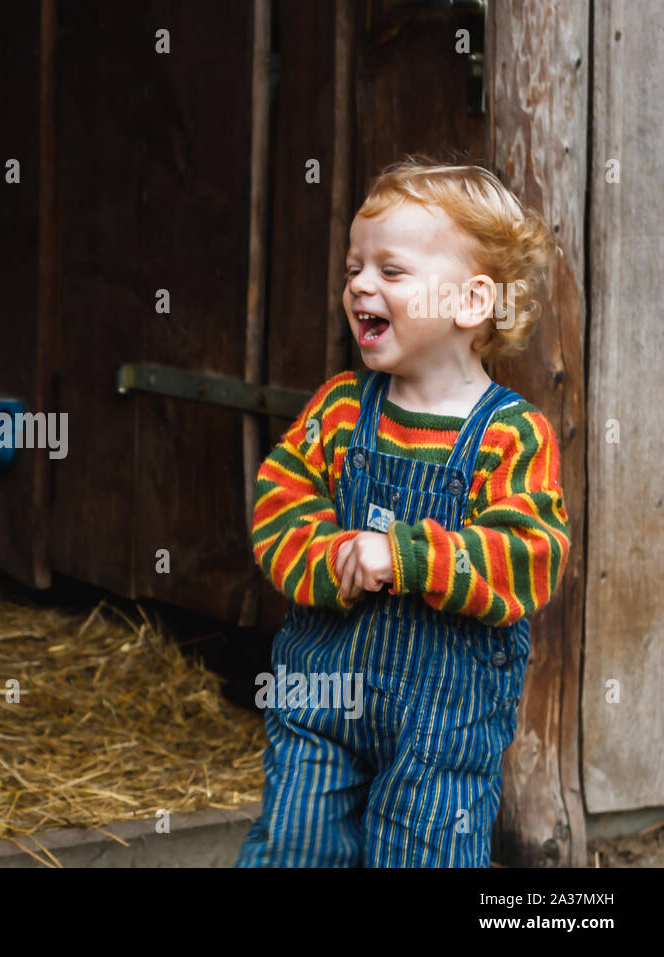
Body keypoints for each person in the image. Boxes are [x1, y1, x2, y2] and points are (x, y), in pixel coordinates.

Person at [236, 156, 570, 867]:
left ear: (472, 301)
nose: (359, 284)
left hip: (442, 734)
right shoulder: (339, 409)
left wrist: (411, 555)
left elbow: (529, 557)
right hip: (320, 705)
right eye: (354, 266)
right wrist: (330, 556)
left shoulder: (511, 435)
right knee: (295, 843)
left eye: (391, 271)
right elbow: (278, 503)